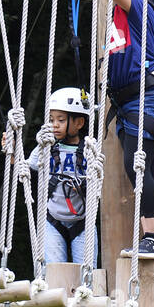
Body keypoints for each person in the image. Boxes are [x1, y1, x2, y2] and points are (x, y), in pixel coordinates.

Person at [63, 0, 154, 260]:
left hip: (147, 98)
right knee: (138, 167)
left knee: (136, 165)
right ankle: (152, 237)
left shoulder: (139, 4)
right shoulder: (139, 15)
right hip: (135, 101)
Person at [27, 87, 96, 267]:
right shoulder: (47, 146)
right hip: (52, 220)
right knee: (54, 271)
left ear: (79, 123)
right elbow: (29, 166)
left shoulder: (90, 150)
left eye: (61, 120)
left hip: (83, 222)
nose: (54, 125)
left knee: (86, 273)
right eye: (51, 120)